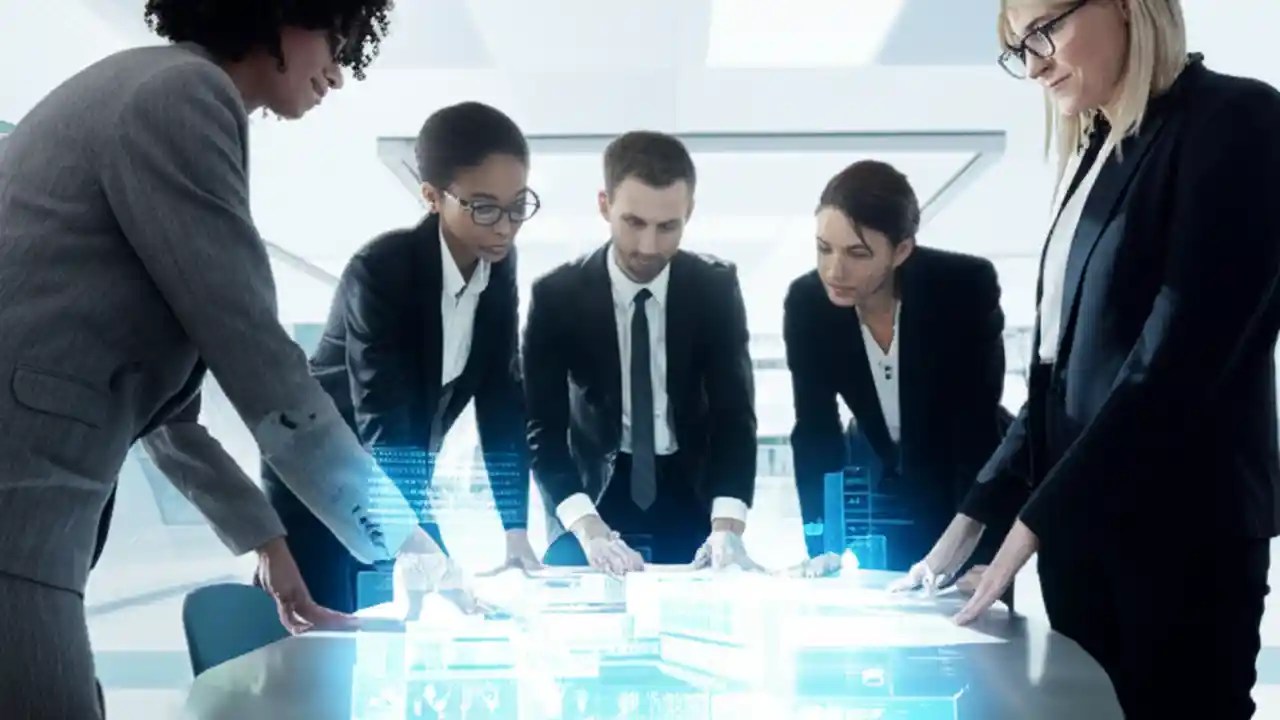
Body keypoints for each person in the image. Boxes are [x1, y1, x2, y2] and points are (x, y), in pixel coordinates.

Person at [0, 2, 448, 717]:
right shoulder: (185, 94)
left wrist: (266, 542)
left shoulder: (151, 86)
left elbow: (169, 418)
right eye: (335, 37)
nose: (339, 68)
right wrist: (410, 545)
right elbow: (258, 357)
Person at [895, 1, 1280, 716]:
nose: (1034, 61)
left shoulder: (1238, 120)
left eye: (1045, 30)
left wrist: (1032, 525)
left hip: (1181, 537)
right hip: (1083, 538)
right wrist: (972, 519)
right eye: (1019, 46)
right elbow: (1056, 372)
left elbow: (1178, 361)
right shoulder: (1099, 145)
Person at [263, 101, 543, 614]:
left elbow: (502, 399)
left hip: (392, 478)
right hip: (323, 481)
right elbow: (386, 419)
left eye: (517, 206)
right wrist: (435, 548)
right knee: (327, 639)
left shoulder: (497, 266)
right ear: (432, 197)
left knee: (401, 628)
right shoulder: (381, 270)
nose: (505, 227)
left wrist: (516, 530)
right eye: (484, 208)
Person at [523, 131, 759, 572]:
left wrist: (727, 529)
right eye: (633, 222)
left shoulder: (715, 288)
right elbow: (542, 432)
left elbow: (734, 418)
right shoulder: (556, 296)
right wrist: (589, 530)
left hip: (689, 494)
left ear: (688, 213)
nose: (649, 247)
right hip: (590, 497)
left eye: (668, 227)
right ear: (604, 205)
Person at [784, 160, 1012, 581]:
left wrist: (978, 549)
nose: (834, 271)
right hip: (885, 489)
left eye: (857, 253)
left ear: (901, 250)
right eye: (824, 248)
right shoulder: (807, 304)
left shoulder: (962, 288)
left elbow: (976, 427)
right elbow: (815, 430)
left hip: (966, 490)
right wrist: (822, 546)